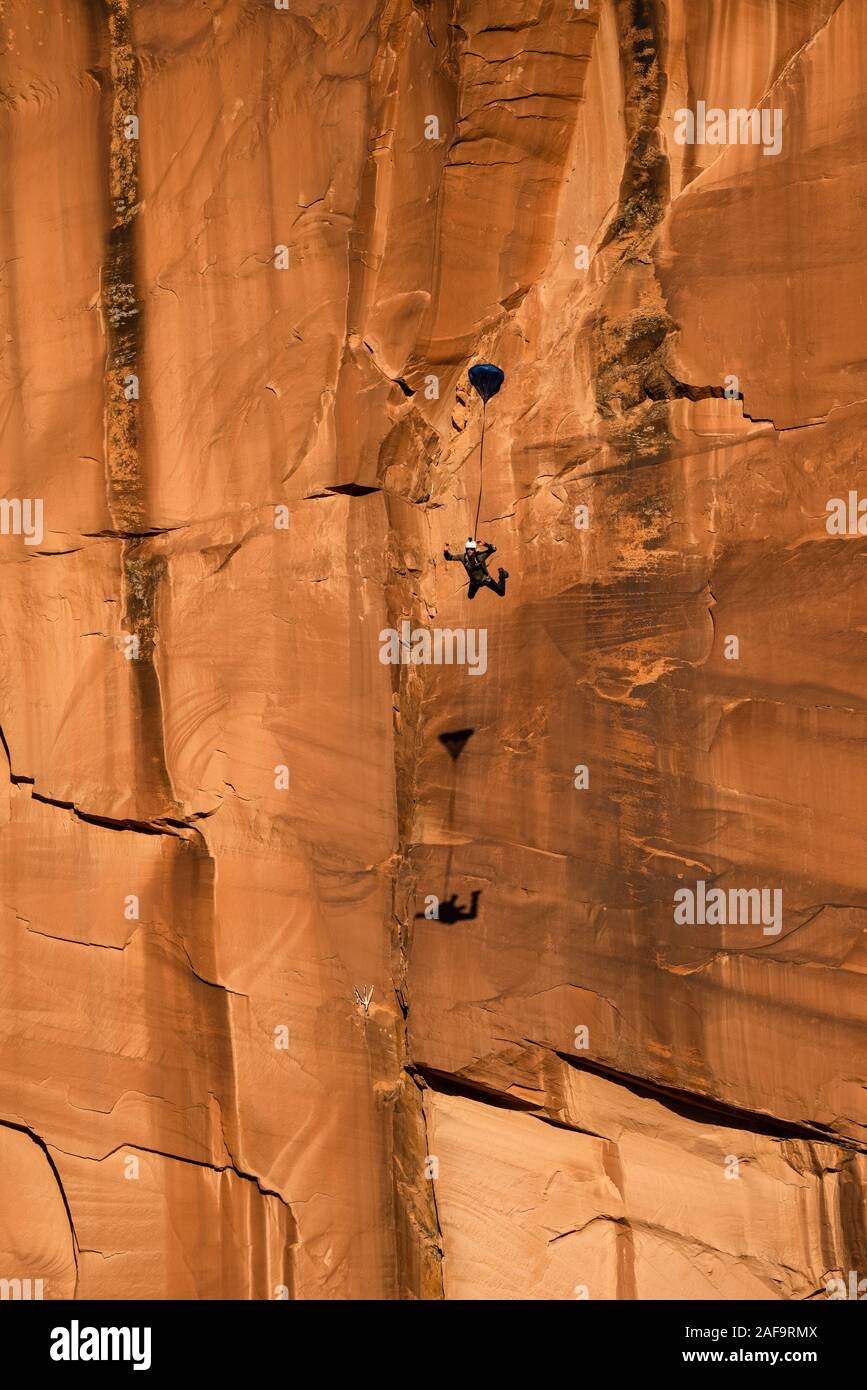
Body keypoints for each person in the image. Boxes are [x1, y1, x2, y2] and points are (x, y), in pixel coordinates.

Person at [443, 538, 508, 598]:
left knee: (501, 593)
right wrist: (446, 551)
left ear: (474, 549)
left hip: (485, 580)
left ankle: (502, 574)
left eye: (471, 549)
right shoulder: (463, 557)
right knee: (470, 596)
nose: (469, 551)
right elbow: (449, 557)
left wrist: (485, 544)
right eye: (468, 549)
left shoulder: (480, 556)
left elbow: (494, 549)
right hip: (474, 582)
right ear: (466, 549)